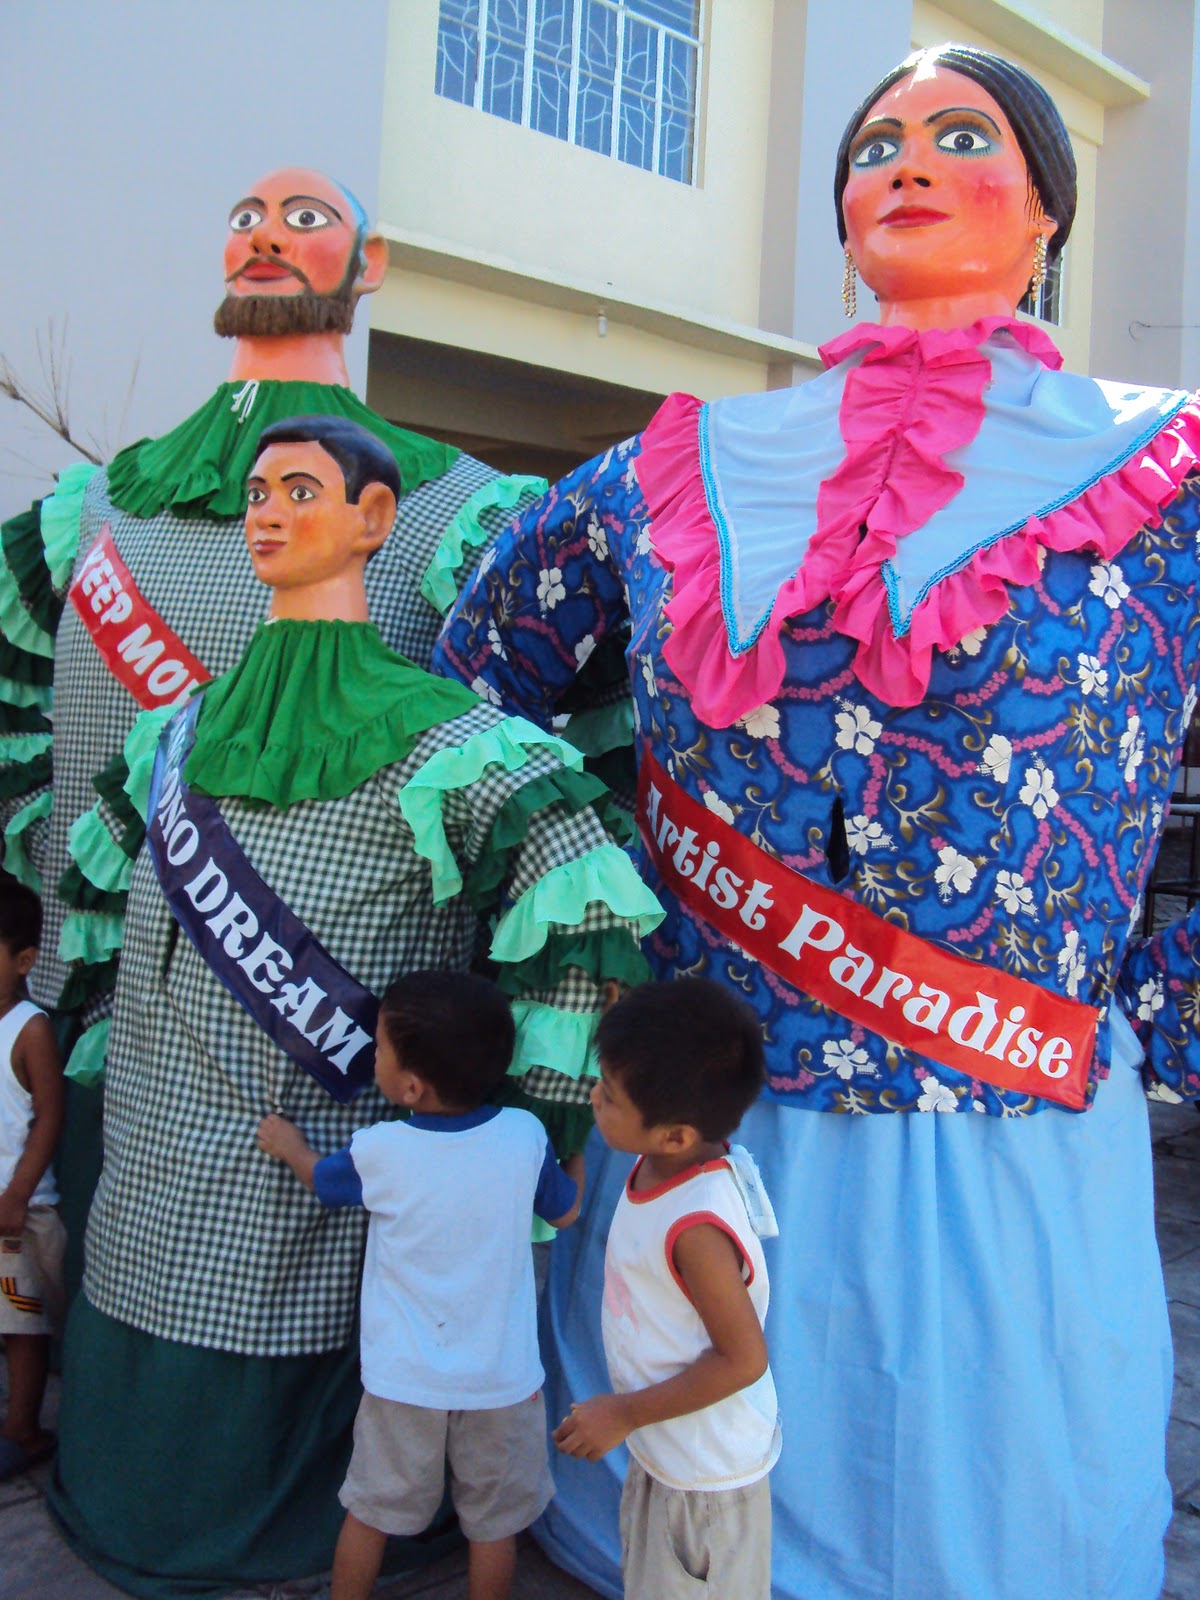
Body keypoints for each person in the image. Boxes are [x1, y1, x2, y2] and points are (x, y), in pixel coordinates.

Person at [435, 43, 1200, 1600]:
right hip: (709, 1118)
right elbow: (471, 693)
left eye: (963, 137)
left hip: (1007, 1127)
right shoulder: (671, 466)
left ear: (1048, 208)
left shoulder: (1165, 457)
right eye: (876, 146)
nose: (908, 166)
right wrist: (572, 917)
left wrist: (1159, 1000)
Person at [49, 415, 661, 1596]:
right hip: (155, 1180)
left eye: (301, 490)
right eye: (257, 495)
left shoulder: (450, 740)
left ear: (374, 522)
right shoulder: (176, 730)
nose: (268, 513)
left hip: (352, 1242)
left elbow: (582, 915)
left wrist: (539, 1126)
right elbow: (101, 911)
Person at [0, 163, 549, 1163]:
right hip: (96, 1034)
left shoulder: (458, 514)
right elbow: (26, 729)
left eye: (304, 218)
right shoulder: (90, 512)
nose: (266, 237)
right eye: (245, 218)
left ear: (367, 263)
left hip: (321, 1056)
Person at [259, 969, 582, 1600]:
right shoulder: (524, 1136)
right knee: (493, 1528)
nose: (372, 1055)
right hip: (503, 1383)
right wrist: (577, 1151)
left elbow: (324, 1183)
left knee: (372, 1511)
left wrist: (289, 1144)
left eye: (378, 1048)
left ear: (410, 1084)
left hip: (404, 1380)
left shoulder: (381, 1149)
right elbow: (565, 1211)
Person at [553, 978, 779, 1600]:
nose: (594, 1096)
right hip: (665, 1450)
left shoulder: (697, 1230)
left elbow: (744, 1358)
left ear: (676, 1135)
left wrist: (622, 1413)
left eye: (611, 1095)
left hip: (704, 1486)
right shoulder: (662, 1157)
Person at [0, 877, 64, 1480]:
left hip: (16, 1211)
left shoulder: (29, 1028)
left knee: (19, 1321)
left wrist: (19, 1192)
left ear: (24, 960)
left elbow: (50, 1113)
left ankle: (22, 1426)